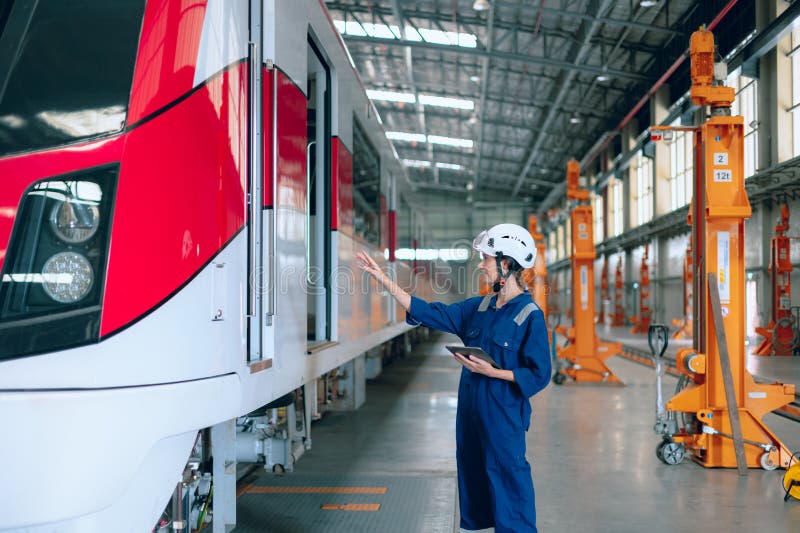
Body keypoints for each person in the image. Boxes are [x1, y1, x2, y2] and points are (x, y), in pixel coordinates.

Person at [357, 223, 551, 533]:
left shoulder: (529, 315)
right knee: (475, 480)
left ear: (505, 264)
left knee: (509, 482)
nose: (480, 264)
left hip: (502, 416)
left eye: (486, 258)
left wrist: (493, 372)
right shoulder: (480, 307)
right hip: (471, 415)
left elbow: (540, 374)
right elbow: (431, 312)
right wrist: (385, 281)